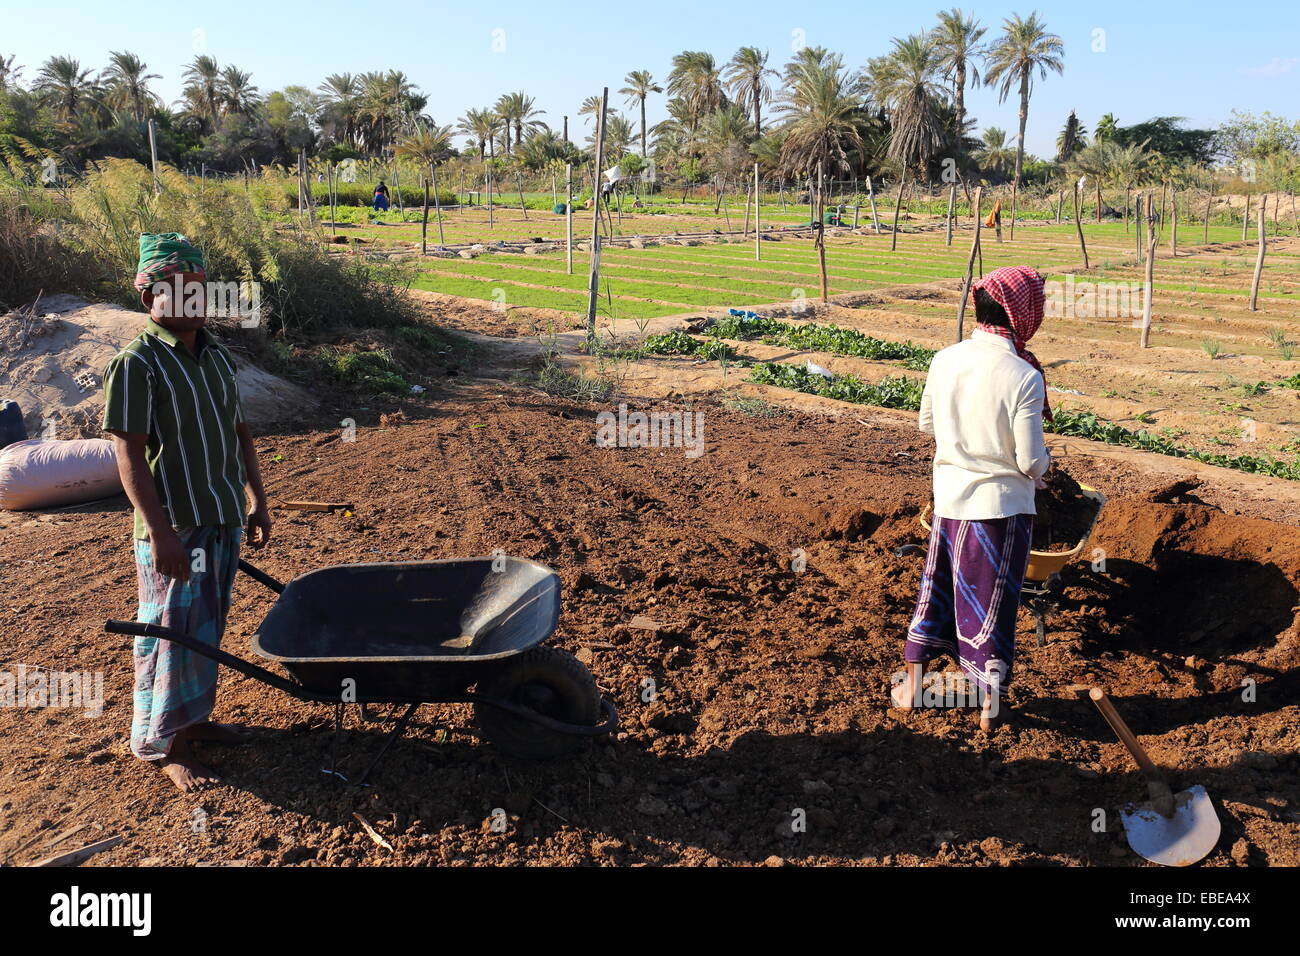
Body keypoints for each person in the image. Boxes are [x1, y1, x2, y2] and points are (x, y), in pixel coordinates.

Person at [102, 233, 273, 791]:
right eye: (173, 289)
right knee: (171, 631)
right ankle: (165, 744)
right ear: (148, 294)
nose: (187, 300)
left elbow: (240, 431)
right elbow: (127, 452)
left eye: (196, 289)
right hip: (176, 526)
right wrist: (160, 534)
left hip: (221, 513)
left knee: (206, 628)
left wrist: (257, 496)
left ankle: (193, 721)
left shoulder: (218, 356)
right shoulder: (136, 363)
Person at [892, 266, 1052, 730]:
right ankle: (990, 705)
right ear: (1024, 313)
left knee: (936, 591)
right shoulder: (1023, 375)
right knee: (993, 607)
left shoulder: (946, 358)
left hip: (949, 502)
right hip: (999, 512)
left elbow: (926, 424)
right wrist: (1045, 469)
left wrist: (962, 442)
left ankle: (914, 688)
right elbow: (1029, 460)